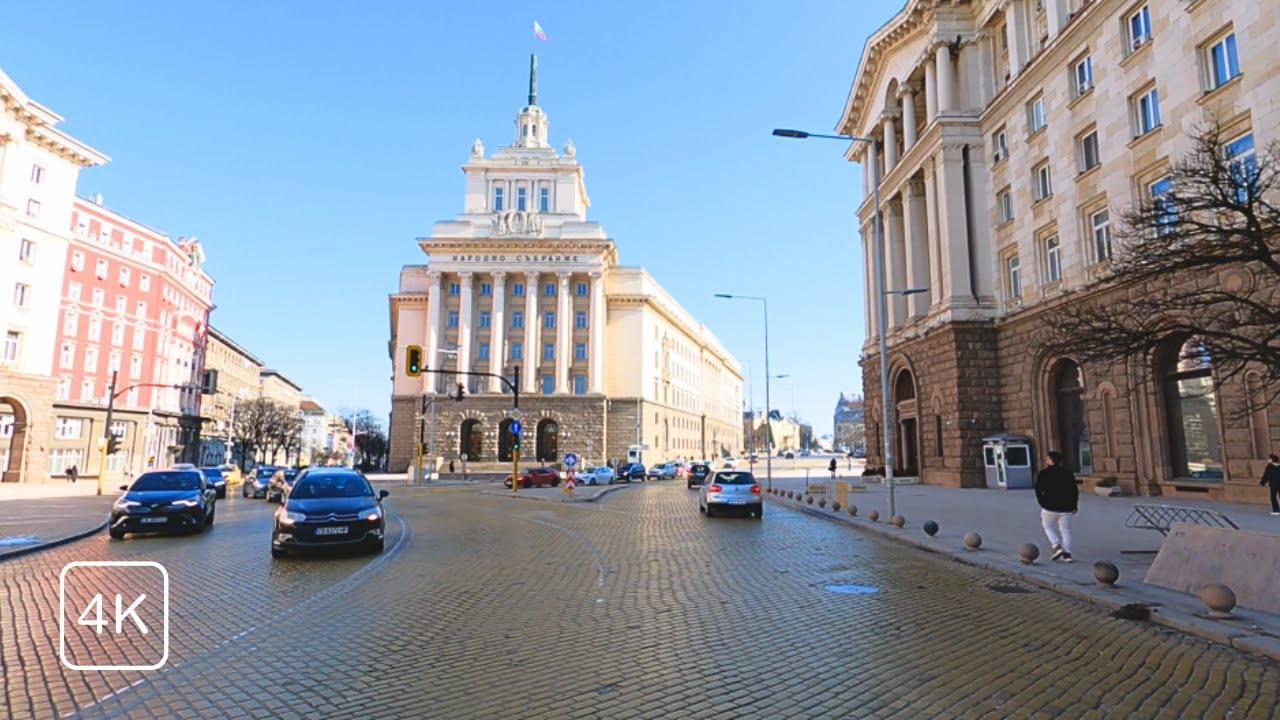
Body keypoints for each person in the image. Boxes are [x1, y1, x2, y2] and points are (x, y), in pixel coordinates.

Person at [1034, 451, 1079, 562]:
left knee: (1047, 527)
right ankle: (1067, 555)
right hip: (1066, 507)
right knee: (1066, 531)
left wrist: (1042, 502)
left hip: (1050, 506)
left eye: (1047, 459)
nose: (1046, 460)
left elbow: (1038, 490)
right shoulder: (1068, 473)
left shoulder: (1043, 473)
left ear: (1051, 461)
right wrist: (1074, 505)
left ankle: (1056, 546)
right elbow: (1074, 491)